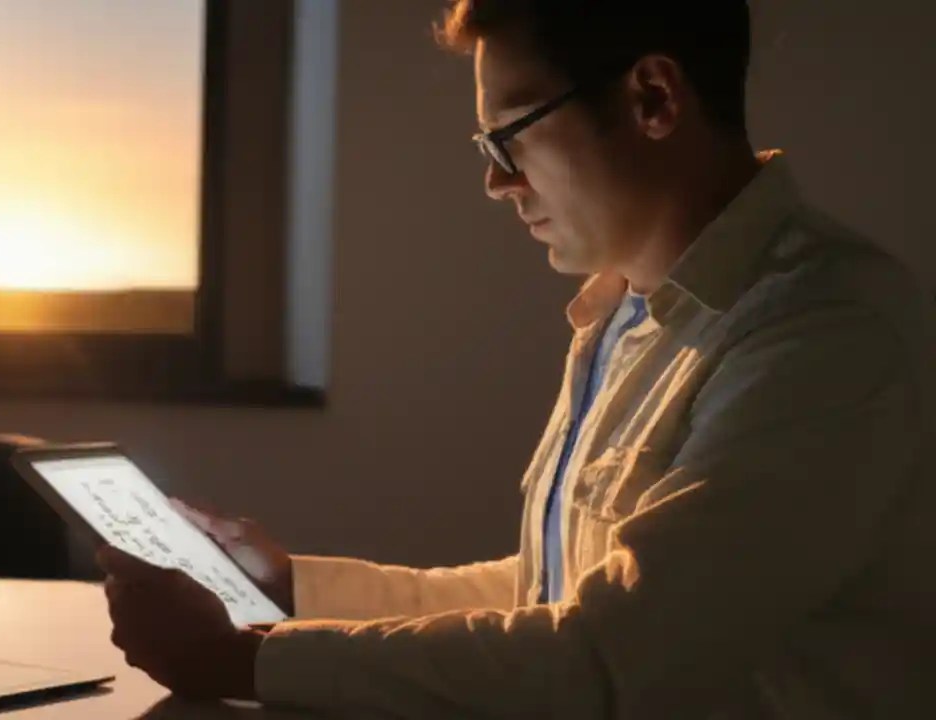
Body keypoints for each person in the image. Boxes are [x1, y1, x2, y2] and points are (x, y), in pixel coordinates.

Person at [98, 1, 936, 716]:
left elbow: (608, 657)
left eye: (512, 138)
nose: (498, 183)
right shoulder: (633, 315)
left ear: (652, 98)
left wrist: (245, 663)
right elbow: (554, 599)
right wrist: (293, 594)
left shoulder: (824, 329)